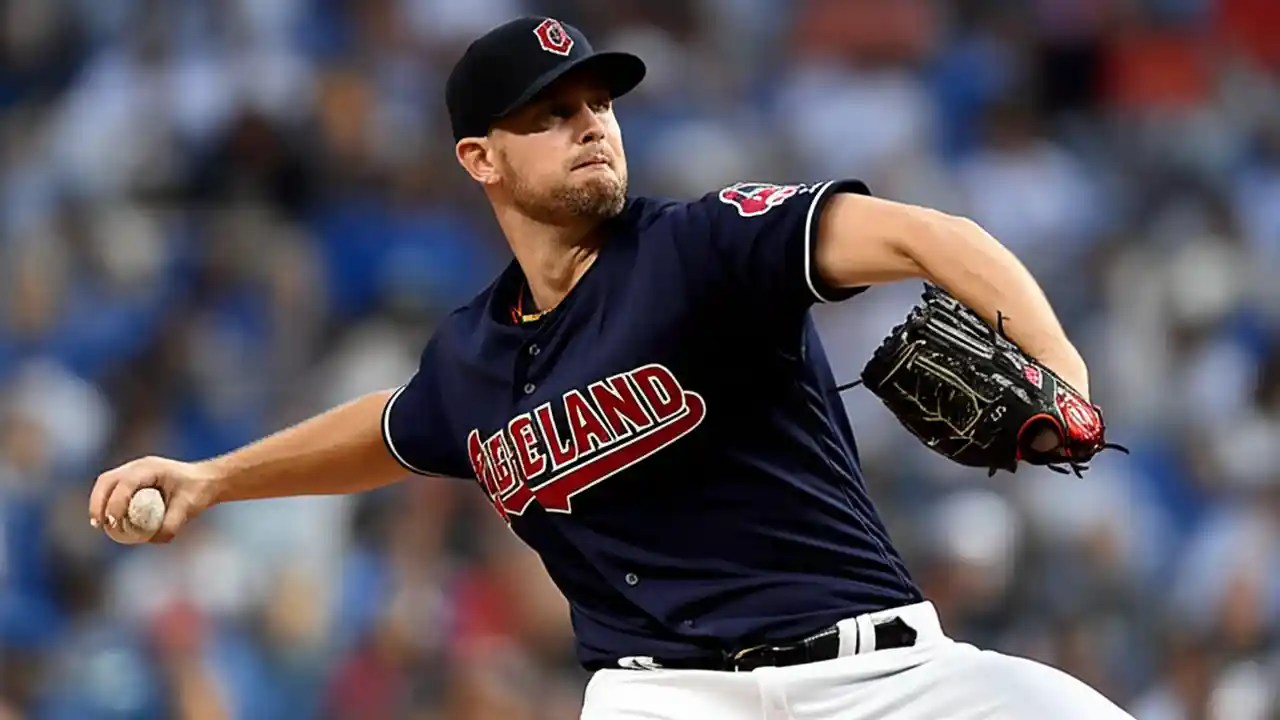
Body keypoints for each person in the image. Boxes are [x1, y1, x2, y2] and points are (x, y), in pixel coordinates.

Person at [88, 17, 1136, 720]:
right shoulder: (470, 358)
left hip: (881, 677)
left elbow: (922, 235)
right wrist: (212, 478)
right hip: (663, 699)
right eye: (550, 115)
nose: (589, 124)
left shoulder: (704, 245)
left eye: (598, 104)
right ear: (479, 160)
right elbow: (390, 429)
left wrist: (1059, 366)